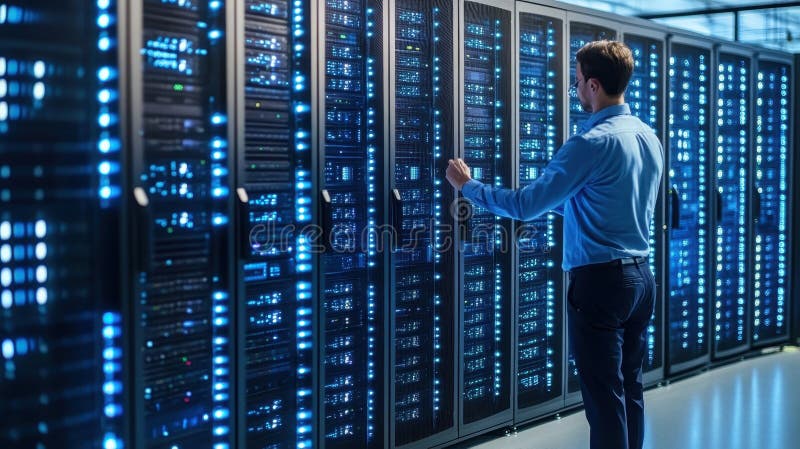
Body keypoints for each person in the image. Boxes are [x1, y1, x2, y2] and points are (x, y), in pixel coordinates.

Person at [445, 40, 663, 449]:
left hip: (600, 283)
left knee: (603, 398)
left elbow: (526, 205)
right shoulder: (647, 136)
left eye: (576, 82)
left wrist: (468, 186)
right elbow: (603, 204)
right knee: (629, 388)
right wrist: (554, 201)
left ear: (594, 85)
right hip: (641, 280)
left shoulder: (590, 142)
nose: (575, 90)